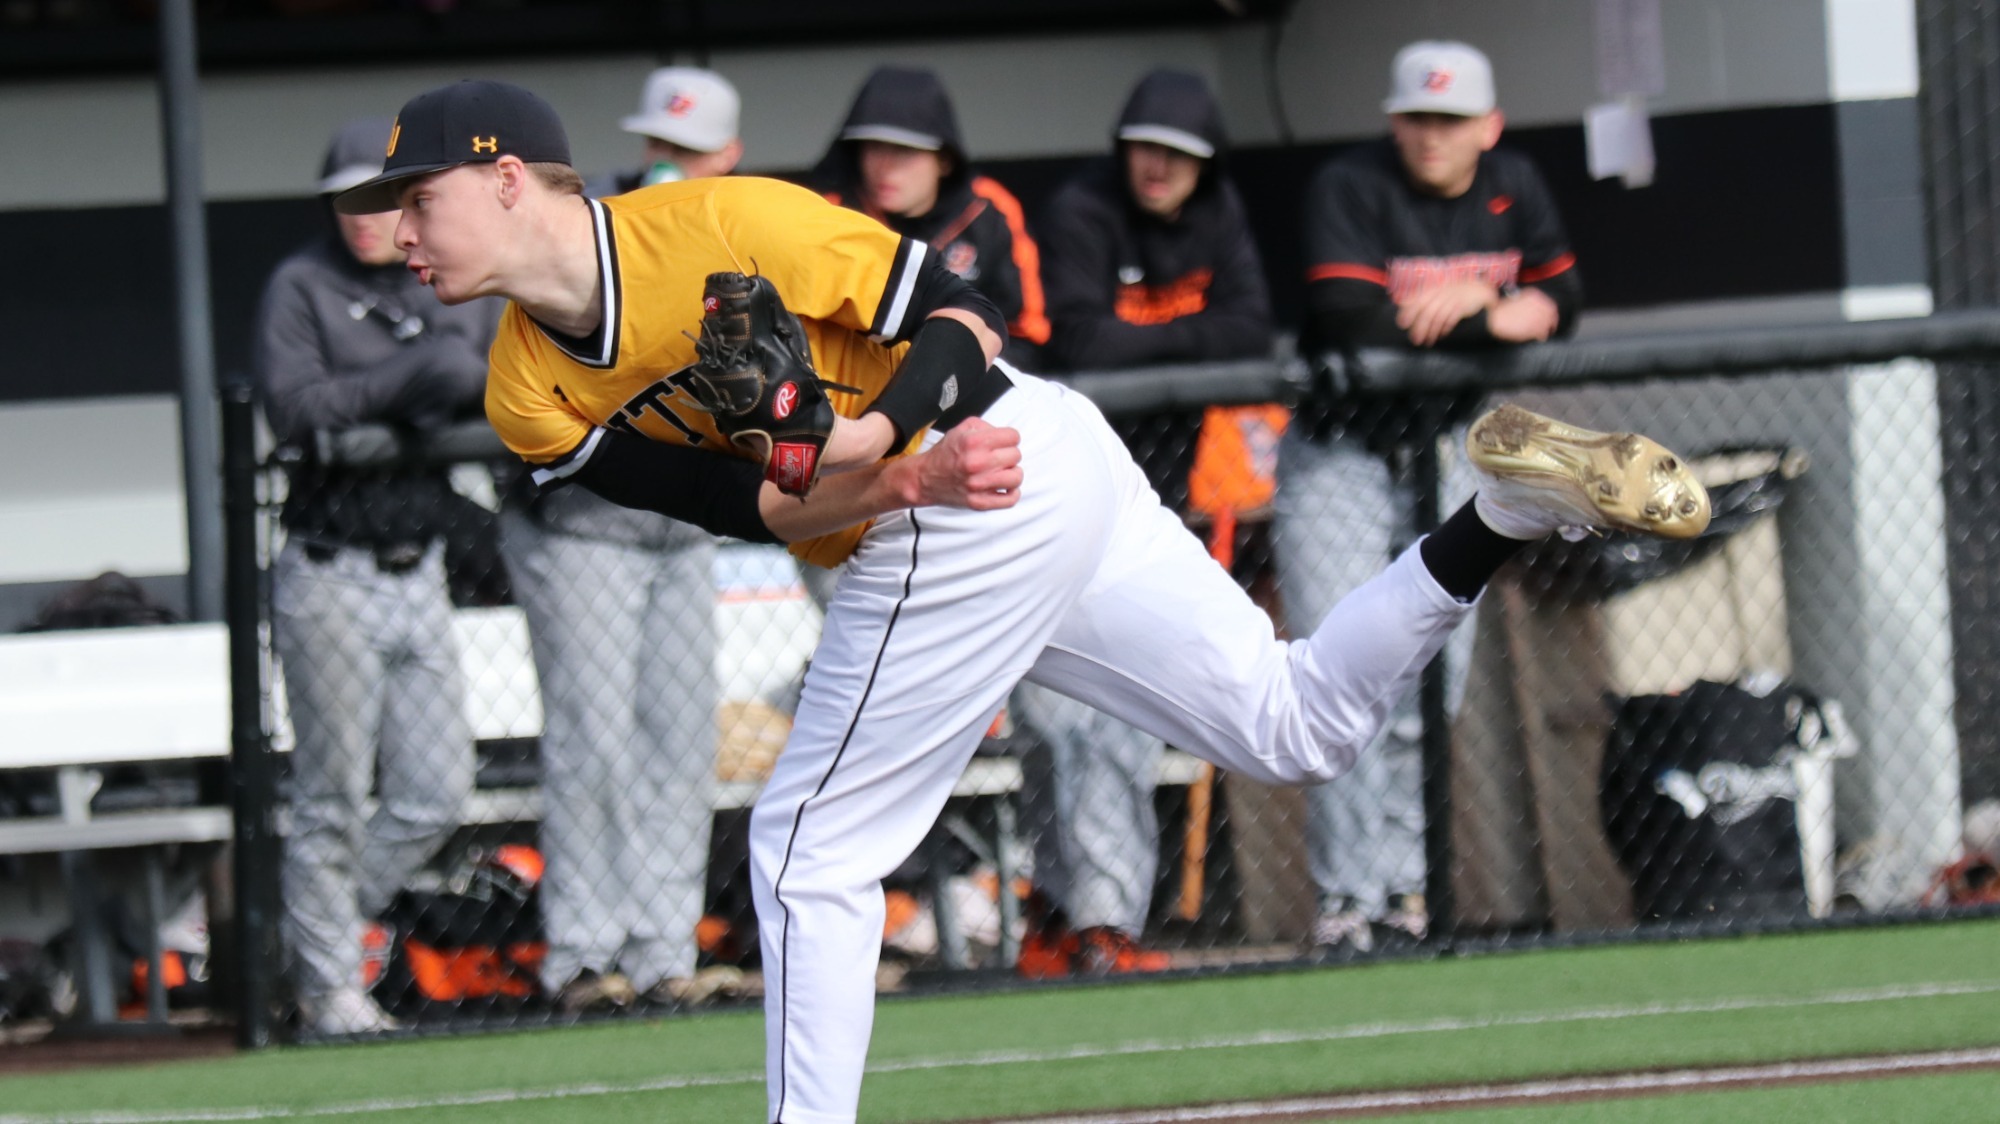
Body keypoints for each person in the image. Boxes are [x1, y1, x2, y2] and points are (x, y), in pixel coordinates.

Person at [335, 78, 1706, 1124]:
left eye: (416, 199)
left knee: (804, 849)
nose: (396, 231)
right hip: (981, 486)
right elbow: (746, 506)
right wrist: (885, 474)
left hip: (992, 464)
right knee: (1296, 726)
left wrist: (883, 448)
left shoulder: (719, 221)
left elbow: (964, 310)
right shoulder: (525, 392)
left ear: (505, 180)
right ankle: (1502, 515)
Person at [1273, 40, 1582, 957]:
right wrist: (1497, 305)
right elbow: (1355, 319)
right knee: (1337, 673)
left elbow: (1565, 294)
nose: (1431, 137)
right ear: (1393, 122)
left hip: (1448, 448)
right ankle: (1346, 901)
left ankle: (1407, 888)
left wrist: (1484, 298)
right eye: (1416, 118)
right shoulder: (1352, 185)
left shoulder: (1514, 184)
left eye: (1450, 121)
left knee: (1428, 677)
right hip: (1342, 454)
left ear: (1488, 127)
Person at [497, 67, 745, 1016]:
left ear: (728, 156)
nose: (668, 162)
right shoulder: (587, 226)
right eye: (659, 144)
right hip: (585, 529)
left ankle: (662, 948)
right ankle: (582, 953)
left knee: (680, 743)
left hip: (685, 531)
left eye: (689, 150)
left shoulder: (740, 237)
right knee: (593, 742)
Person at [1018, 68, 1274, 976]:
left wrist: (1153, 350)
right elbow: (1082, 342)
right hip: (1054, 497)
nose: (1159, 167)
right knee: (1052, 725)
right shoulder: (1082, 211)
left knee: (1122, 719)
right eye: (1145, 149)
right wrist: (1195, 343)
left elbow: (1255, 330)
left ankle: (1106, 922)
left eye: (1179, 154)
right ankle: (1054, 911)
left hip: (1155, 509)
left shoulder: (1219, 215)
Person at [256, 116, 499, 1035]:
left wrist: (398, 403)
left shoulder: (444, 274)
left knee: (436, 791)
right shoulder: (303, 284)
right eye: (345, 200)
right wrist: (411, 384)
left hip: (418, 566)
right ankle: (328, 989)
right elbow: (296, 411)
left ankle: (301, 934)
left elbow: (486, 385)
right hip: (330, 570)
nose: (363, 217)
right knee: (332, 794)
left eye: (380, 198)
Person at [813, 65, 1049, 369]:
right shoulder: (830, 214)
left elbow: (1026, 333)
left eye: (904, 151)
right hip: (855, 383)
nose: (885, 167)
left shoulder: (989, 210)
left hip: (971, 384)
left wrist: (954, 377)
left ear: (944, 160)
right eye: (874, 148)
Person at [590, 66, 745, 196]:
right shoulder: (608, 198)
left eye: (683, 148)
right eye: (655, 142)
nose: (663, 157)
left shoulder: (745, 210)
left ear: (728, 156)